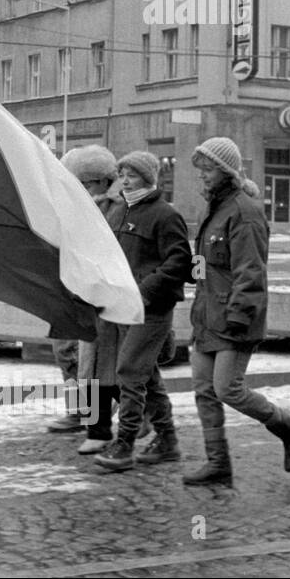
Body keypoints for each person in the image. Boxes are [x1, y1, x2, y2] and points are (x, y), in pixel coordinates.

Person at [185, 137, 290, 487]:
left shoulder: (245, 212)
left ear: (226, 172)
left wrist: (239, 318)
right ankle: (218, 463)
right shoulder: (213, 209)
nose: (203, 177)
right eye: (201, 171)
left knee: (228, 388)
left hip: (234, 318)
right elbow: (206, 265)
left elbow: (250, 271)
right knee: (203, 389)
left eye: (208, 170)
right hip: (207, 316)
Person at [91, 151, 191, 471]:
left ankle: (125, 442)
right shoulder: (119, 211)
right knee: (147, 377)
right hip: (123, 308)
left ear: (148, 178)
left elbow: (179, 263)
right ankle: (168, 439)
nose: (125, 180)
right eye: (122, 174)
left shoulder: (166, 215)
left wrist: (145, 290)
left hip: (152, 309)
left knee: (129, 371)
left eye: (131, 175)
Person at [47, 145, 120, 448]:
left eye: (85, 184)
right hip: (70, 291)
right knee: (65, 352)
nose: (80, 190)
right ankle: (79, 410)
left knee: (96, 361)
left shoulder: (115, 209)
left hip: (96, 296)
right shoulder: (74, 206)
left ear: (102, 181)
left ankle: (105, 414)